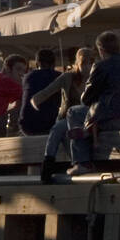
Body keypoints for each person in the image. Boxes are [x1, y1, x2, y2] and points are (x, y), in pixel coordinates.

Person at [66, 31, 120, 175]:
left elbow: (85, 99)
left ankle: (82, 162)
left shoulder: (101, 66)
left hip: (111, 118)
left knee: (74, 112)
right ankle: (88, 132)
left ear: (101, 49)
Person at [37, 47, 92, 182]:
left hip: (87, 118)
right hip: (70, 119)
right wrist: (35, 102)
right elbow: (46, 92)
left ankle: (53, 164)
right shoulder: (68, 77)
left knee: (59, 128)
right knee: (59, 128)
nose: (87, 66)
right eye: (84, 62)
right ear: (77, 63)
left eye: (90, 62)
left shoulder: (96, 76)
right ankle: (48, 163)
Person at [19, 48, 61, 135]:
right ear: (54, 63)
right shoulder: (59, 77)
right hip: (49, 125)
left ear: (37, 63)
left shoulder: (28, 77)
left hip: (27, 125)